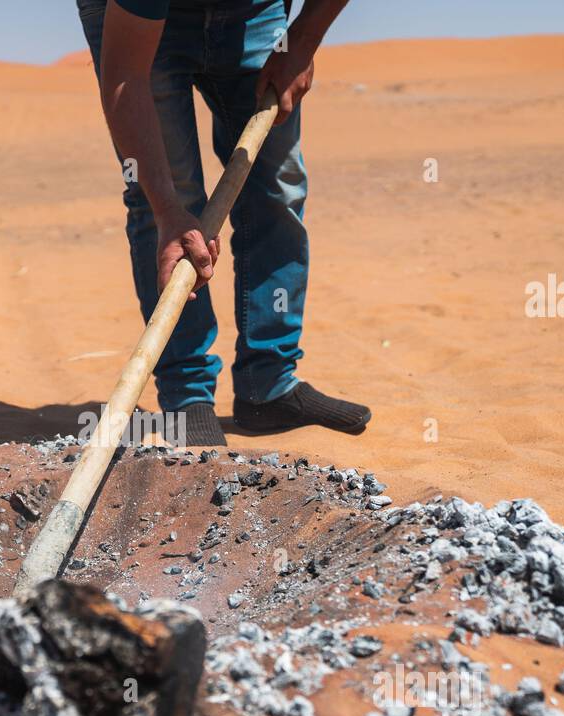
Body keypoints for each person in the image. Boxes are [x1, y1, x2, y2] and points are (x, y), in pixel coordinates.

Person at [76, 0, 371, 446]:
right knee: (169, 202)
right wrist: (167, 210)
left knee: (277, 187)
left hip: (256, 11)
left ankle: (269, 386)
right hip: (139, 23)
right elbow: (125, 79)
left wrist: (303, 42)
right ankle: (187, 397)